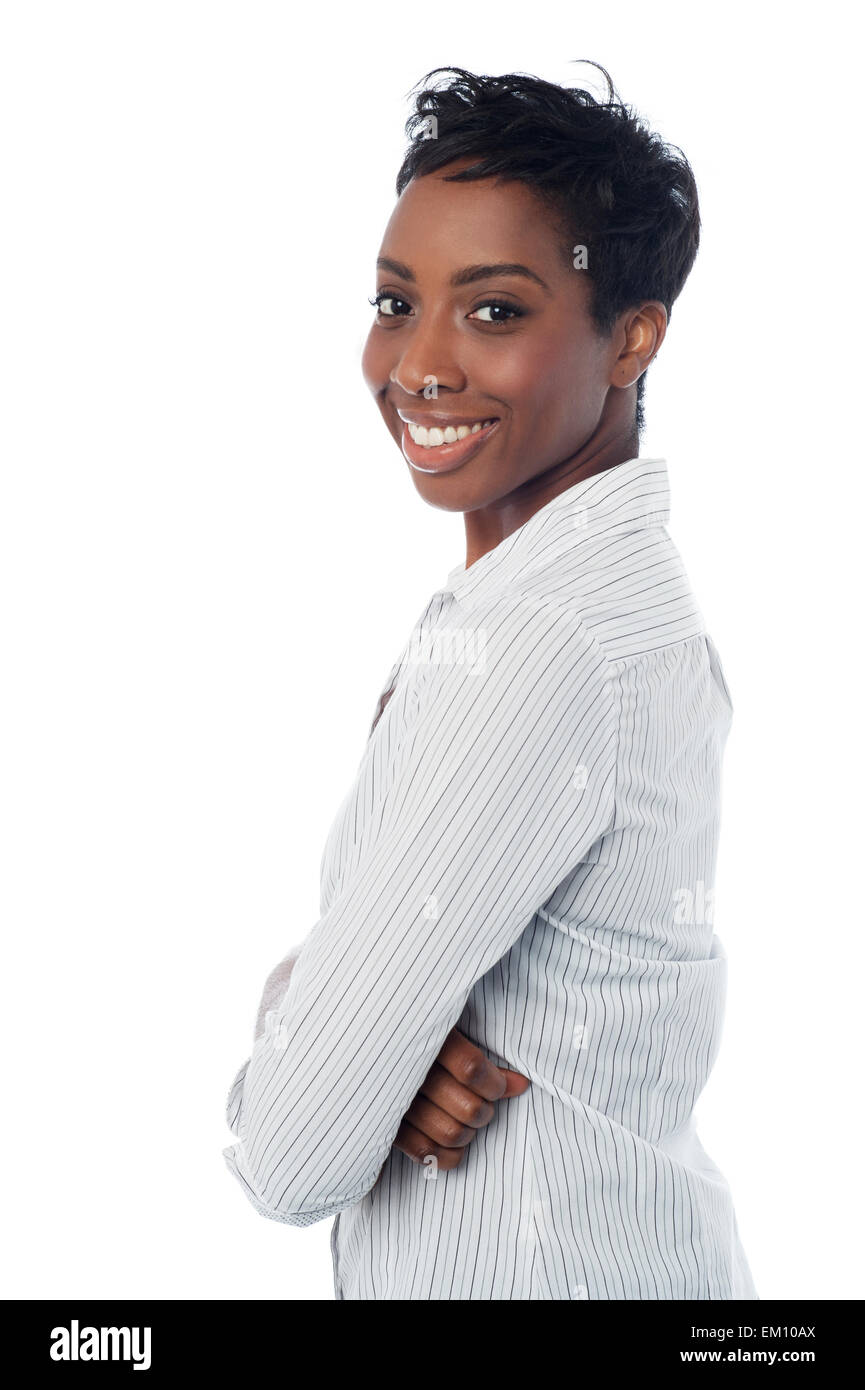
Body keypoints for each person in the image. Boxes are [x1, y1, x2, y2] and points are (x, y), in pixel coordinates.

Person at [223, 63, 758, 1300]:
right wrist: (352, 1025)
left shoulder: (544, 642)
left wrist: (333, 1040)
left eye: (496, 311)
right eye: (395, 300)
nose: (417, 364)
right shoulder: (576, 600)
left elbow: (290, 1154)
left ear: (633, 334)